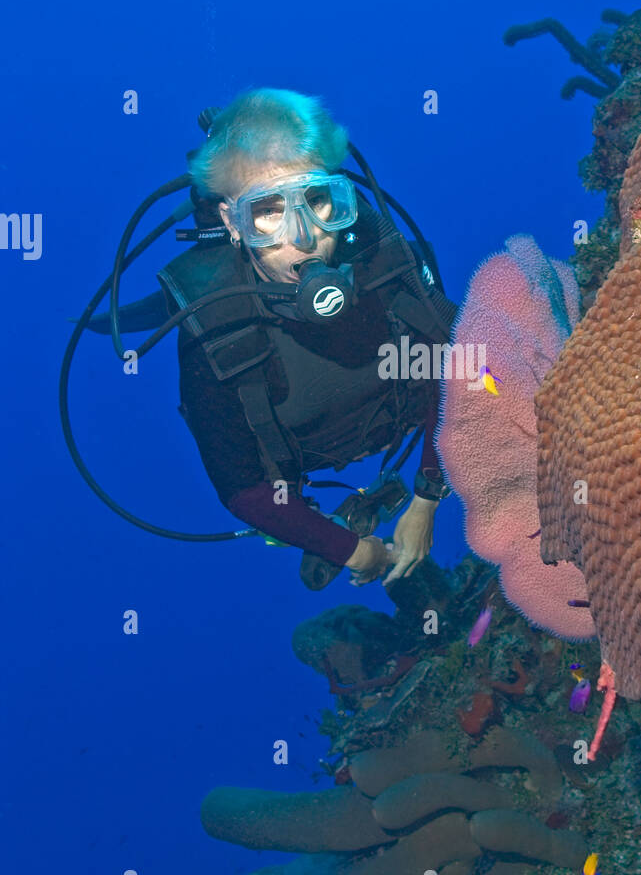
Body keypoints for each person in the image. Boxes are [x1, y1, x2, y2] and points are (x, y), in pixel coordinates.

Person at [156, 88, 454, 586]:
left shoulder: (382, 258)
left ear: (342, 196)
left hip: (405, 433)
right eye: (269, 211)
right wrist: (352, 551)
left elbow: (460, 365)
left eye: (317, 200)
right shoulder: (214, 322)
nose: (304, 235)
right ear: (233, 222)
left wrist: (427, 495)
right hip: (303, 469)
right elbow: (242, 488)